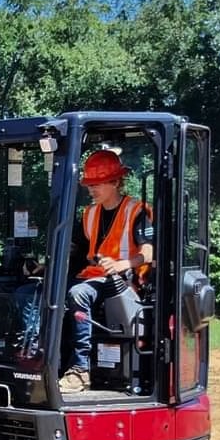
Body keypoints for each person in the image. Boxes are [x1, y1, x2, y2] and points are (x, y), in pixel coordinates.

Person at [60, 150, 154, 392]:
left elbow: (149, 254)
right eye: (89, 185)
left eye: (97, 184)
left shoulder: (136, 211)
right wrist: (47, 266)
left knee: (78, 293)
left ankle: (80, 370)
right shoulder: (90, 214)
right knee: (42, 289)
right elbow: (78, 251)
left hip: (123, 281)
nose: (91, 190)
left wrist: (122, 264)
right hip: (95, 277)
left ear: (115, 182)